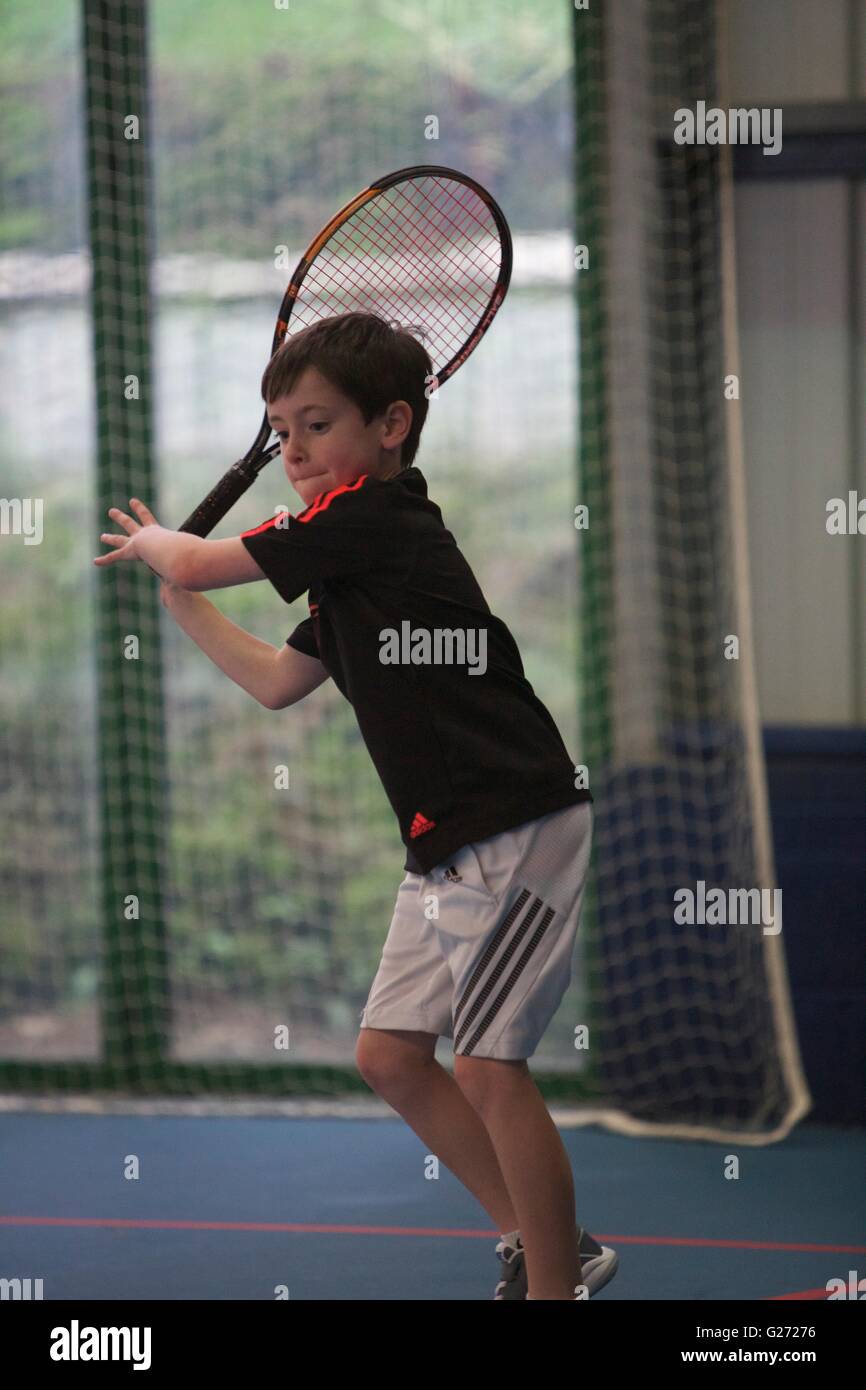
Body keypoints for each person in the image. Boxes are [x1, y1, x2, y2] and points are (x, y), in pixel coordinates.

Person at [94, 310, 617, 1302]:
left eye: (314, 424)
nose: (290, 448)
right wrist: (188, 601)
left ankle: (556, 1286)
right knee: (389, 1055)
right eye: (279, 429)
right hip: (444, 843)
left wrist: (175, 554)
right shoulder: (349, 570)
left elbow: (203, 556)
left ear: (392, 425)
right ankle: (541, 1240)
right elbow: (275, 683)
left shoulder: (375, 519)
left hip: (513, 821)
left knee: (490, 1068)